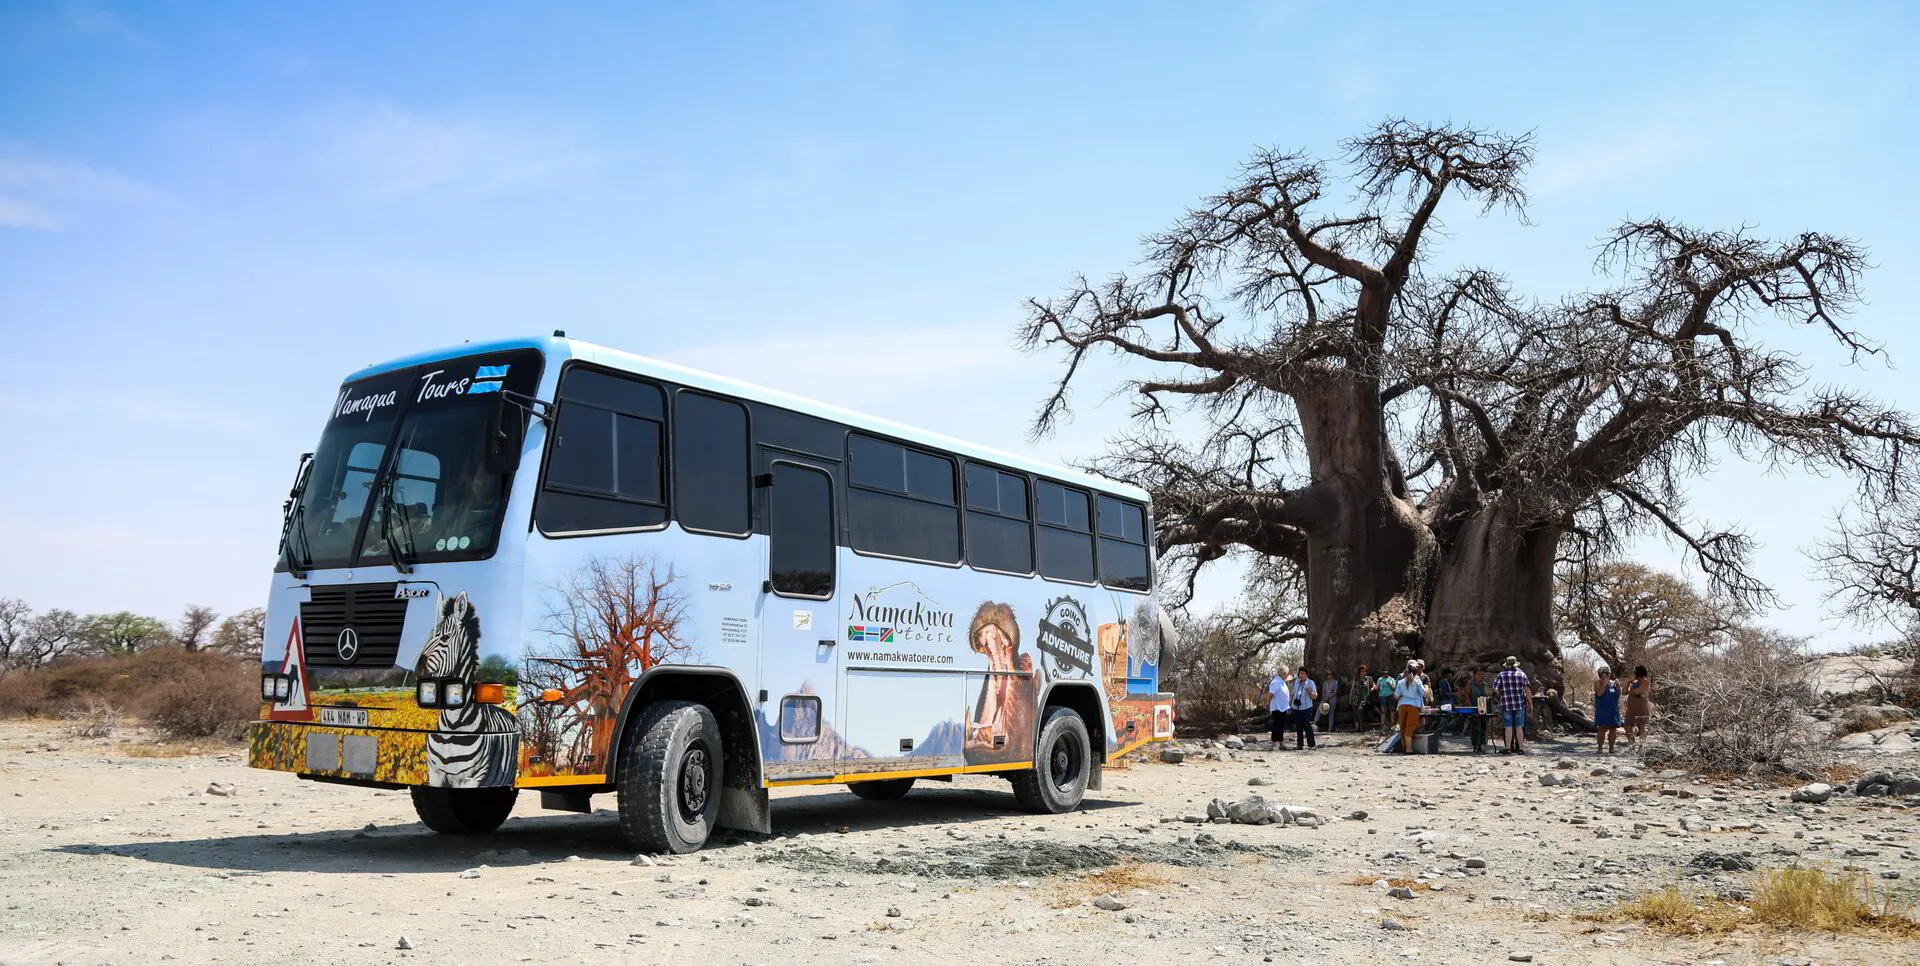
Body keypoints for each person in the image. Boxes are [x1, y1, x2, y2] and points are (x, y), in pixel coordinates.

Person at [1493, 656, 1531, 754]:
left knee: (1508, 726)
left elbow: (1495, 689)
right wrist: (1530, 704)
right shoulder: (1522, 675)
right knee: (1519, 727)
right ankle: (1521, 748)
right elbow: (1527, 690)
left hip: (1506, 704)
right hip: (1519, 704)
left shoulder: (1501, 675)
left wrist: (1500, 694)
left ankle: (1508, 748)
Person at [1394, 662, 1426, 754]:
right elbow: (1423, 693)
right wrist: (1428, 691)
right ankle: (1408, 749)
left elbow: (1396, 696)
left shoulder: (1400, 682)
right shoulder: (1417, 681)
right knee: (1410, 726)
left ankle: (1404, 748)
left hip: (1402, 706)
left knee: (1402, 727)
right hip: (1414, 706)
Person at [1592, 667, 1623, 754]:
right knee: (1602, 728)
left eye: (1608, 673)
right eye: (1605, 673)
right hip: (1602, 709)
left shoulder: (1613, 683)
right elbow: (1599, 693)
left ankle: (1611, 748)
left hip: (1613, 709)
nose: (1607, 675)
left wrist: (1618, 687)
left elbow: (1618, 696)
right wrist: (1604, 684)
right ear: (1601, 674)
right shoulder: (1598, 683)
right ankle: (1600, 748)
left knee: (1613, 729)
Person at [1290, 666, 1318, 750]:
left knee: (1307, 726)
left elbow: (1315, 696)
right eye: (1300, 673)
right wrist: (1289, 704)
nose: (1301, 675)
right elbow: (1293, 694)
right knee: (1298, 726)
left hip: (1306, 708)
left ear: (1307, 675)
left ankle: (1312, 745)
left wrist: (1309, 691)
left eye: (1303, 673)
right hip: (1296, 707)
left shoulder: (1311, 683)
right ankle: (1299, 745)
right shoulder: (1297, 682)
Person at [1625, 665, 1653, 745]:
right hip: (1631, 710)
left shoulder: (1646, 682)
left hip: (1641, 709)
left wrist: (1631, 690)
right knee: (1627, 727)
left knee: (1641, 727)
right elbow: (1624, 692)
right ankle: (1632, 744)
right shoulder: (1634, 683)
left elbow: (1636, 692)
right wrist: (1628, 683)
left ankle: (1642, 746)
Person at [1265, 666, 1292, 745]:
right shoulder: (1276, 682)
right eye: (1287, 673)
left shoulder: (1282, 681)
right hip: (1277, 707)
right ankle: (1274, 743)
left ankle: (1281, 742)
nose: (1288, 675)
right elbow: (1270, 694)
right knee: (1276, 725)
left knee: (1281, 726)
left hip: (1282, 708)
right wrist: (1267, 703)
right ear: (1283, 674)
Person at [1352, 664, 1372, 732]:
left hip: (1363, 697)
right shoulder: (1356, 678)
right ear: (1359, 672)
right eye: (1362, 671)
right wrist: (1350, 698)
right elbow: (1352, 688)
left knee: (1360, 710)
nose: (1363, 672)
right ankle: (1357, 728)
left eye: (1364, 671)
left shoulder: (1368, 678)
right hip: (1356, 697)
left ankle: (1361, 727)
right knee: (1355, 713)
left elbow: (1374, 684)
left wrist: (1372, 689)